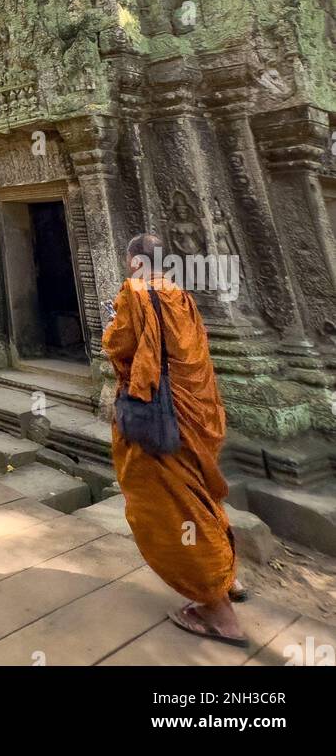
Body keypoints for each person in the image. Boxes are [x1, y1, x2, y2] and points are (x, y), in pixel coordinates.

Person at [102, 232, 247, 647]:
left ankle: (220, 613)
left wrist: (110, 328)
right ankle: (227, 577)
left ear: (134, 263)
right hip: (196, 415)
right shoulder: (180, 294)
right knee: (198, 496)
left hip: (160, 419)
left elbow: (121, 344)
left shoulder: (135, 293)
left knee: (165, 506)